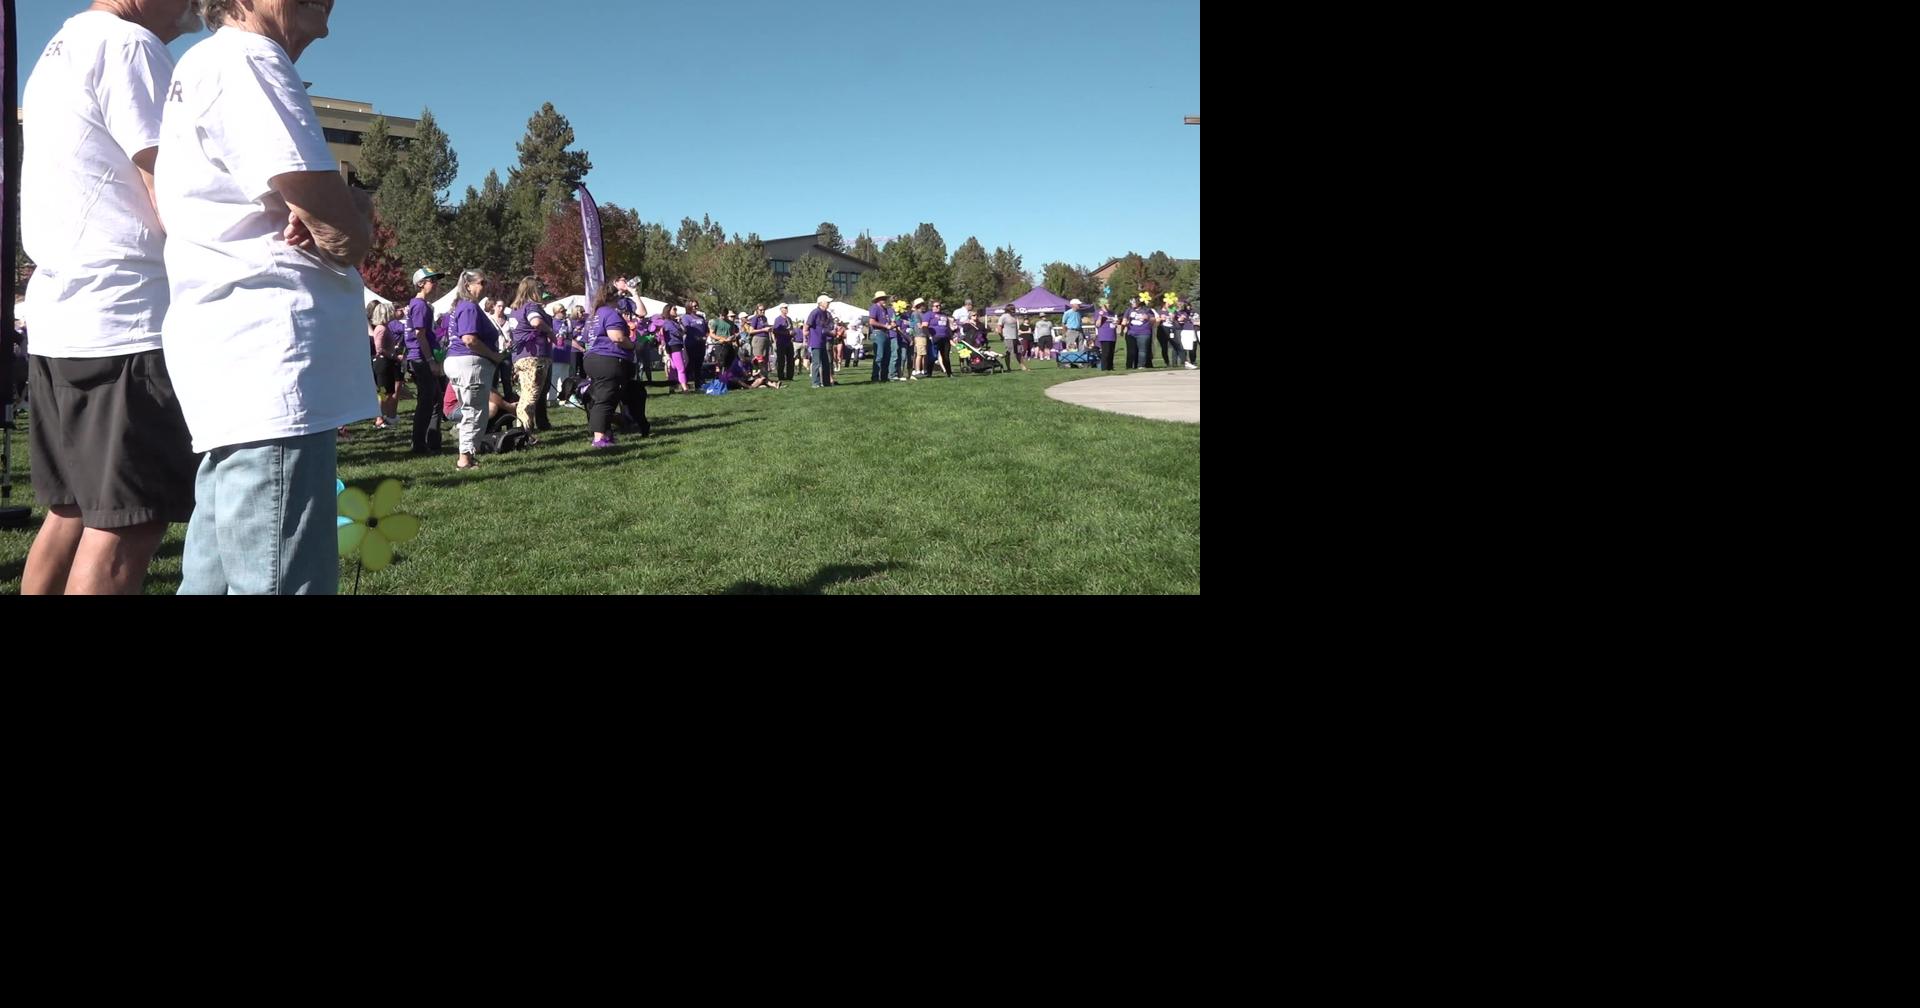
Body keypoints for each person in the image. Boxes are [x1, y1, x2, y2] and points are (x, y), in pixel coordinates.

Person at [157, 0, 374, 593]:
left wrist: (332, 208)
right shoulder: (250, 57)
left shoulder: (205, 64)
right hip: (270, 357)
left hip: (236, 363)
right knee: (281, 579)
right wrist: (354, 212)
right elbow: (340, 233)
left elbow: (320, 215)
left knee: (214, 578)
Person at [18, 0, 204, 595]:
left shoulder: (61, 48)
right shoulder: (130, 45)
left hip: (63, 319)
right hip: (126, 319)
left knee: (70, 512)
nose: (192, 10)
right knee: (128, 525)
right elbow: (177, 188)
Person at [583, 281, 648, 447]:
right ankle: (599, 438)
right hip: (608, 359)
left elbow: (586, 339)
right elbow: (617, 337)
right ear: (613, 297)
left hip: (592, 358)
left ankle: (606, 434)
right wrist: (632, 345)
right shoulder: (610, 313)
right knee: (606, 399)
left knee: (604, 397)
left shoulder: (593, 316)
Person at [404, 268, 447, 452]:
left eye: (436, 281)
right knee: (427, 401)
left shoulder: (422, 305)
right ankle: (420, 444)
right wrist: (430, 360)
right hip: (421, 358)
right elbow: (420, 335)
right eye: (432, 281)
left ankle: (432, 441)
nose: (435, 284)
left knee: (435, 399)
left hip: (421, 357)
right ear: (420, 284)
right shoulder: (420, 305)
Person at [508, 278, 552, 431]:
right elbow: (535, 322)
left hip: (520, 356)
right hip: (534, 356)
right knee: (530, 397)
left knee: (527, 395)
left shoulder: (515, 310)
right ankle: (524, 431)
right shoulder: (531, 306)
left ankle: (522, 429)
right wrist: (550, 331)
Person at [368, 300, 400, 429]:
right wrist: (394, 355)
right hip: (382, 364)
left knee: (387, 393)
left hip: (387, 363)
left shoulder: (385, 328)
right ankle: (379, 419)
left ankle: (384, 416)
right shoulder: (381, 329)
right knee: (383, 393)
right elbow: (379, 348)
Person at [806, 294, 837, 387]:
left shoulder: (825, 313)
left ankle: (826, 382)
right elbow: (807, 324)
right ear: (821, 303)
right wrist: (806, 334)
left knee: (825, 363)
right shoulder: (815, 312)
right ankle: (815, 383)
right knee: (816, 363)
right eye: (827, 302)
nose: (828, 303)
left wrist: (831, 332)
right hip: (816, 341)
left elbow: (824, 328)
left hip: (823, 341)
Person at [867, 291, 897, 382]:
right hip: (878, 333)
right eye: (882, 298)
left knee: (886, 356)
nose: (884, 300)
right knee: (879, 356)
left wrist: (891, 324)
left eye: (885, 298)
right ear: (878, 300)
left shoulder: (885, 309)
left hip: (885, 333)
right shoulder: (874, 308)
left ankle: (884, 377)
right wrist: (885, 326)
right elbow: (871, 322)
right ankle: (875, 377)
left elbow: (887, 321)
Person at [925, 299, 954, 377]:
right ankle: (929, 373)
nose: (938, 307)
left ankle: (949, 373)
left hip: (945, 338)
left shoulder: (944, 315)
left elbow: (947, 326)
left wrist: (950, 337)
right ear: (932, 307)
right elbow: (924, 326)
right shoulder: (928, 314)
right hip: (934, 338)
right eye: (936, 306)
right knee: (933, 356)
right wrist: (929, 335)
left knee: (946, 356)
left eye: (939, 306)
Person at [1124, 298, 1155, 369]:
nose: (1132, 303)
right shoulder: (1129, 310)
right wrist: (1124, 323)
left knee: (1142, 350)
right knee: (1132, 351)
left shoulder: (1147, 310)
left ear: (1138, 302)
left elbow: (1153, 320)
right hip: (1131, 333)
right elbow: (1125, 319)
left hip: (1144, 333)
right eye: (1131, 302)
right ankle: (1130, 366)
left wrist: (1148, 317)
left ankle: (1141, 365)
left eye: (1134, 302)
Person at [999, 305, 1029, 372]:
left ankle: (1023, 367)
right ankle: (1008, 368)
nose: (1013, 310)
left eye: (1014, 309)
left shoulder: (1014, 317)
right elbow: (999, 328)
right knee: (1008, 353)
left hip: (1015, 337)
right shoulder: (1003, 317)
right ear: (1008, 309)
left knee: (1019, 352)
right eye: (1012, 309)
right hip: (1008, 337)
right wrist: (1002, 336)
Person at [771, 305, 796, 382]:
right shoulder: (778, 319)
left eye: (786, 308)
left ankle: (790, 376)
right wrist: (786, 333)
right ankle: (781, 376)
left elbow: (791, 328)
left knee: (791, 359)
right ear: (781, 309)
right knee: (781, 360)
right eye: (785, 308)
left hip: (789, 341)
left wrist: (793, 333)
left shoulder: (789, 319)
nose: (786, 309)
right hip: (781, 342)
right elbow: (775, 331)